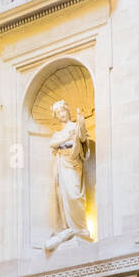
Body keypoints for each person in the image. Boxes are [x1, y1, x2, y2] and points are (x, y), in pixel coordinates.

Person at [45, 100, 92, 252]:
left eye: (63, 111)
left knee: (74, 195)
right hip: (62, 165)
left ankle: (80, 228)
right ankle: (68, 228)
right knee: (64, 196)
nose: (61, 115)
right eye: (58, 113)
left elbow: (83, 139)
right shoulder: (58, 133)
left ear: (67, 111)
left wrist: (81, 122)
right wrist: (66, 139)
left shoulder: (75, 126)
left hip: (73, 164)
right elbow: (52, 144)